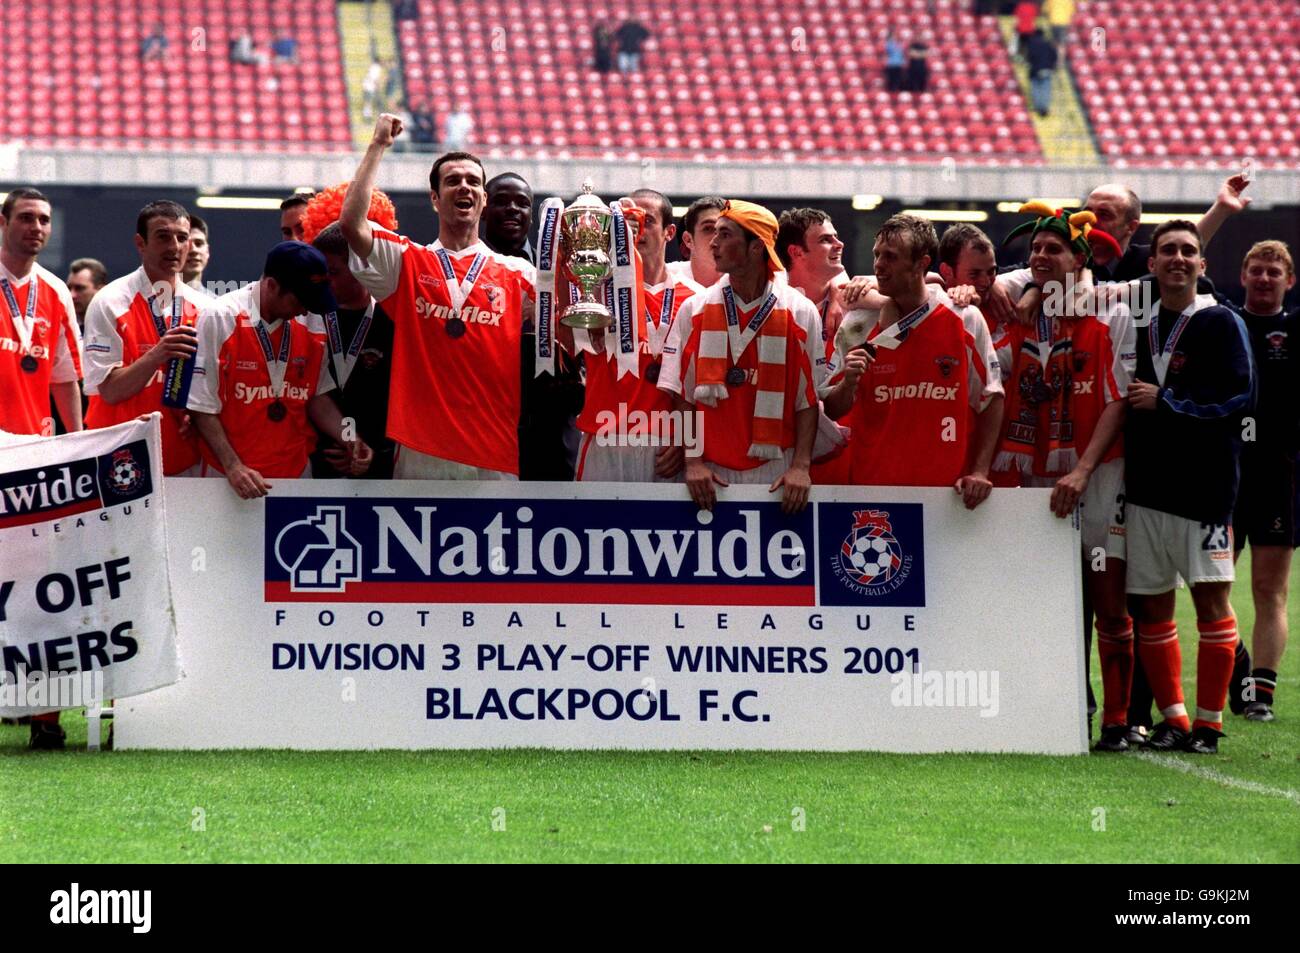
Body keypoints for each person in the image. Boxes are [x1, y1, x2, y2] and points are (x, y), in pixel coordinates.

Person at [995, 204, 1135, 750]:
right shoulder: (1019, 307)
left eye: (1053, 249)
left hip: (1097, 470)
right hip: (1035, 471)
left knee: (1106, 595)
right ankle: (1067, 710)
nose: (1040, 257)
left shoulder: (1111, 309)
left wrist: (1082, 469)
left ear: (1081, 257)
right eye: (1034, 250)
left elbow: (1117, 401)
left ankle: (1118, 722)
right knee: (1051, 599)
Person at [340, 113, 535, 480]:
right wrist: (378, 144)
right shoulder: (406, 260)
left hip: (493, 454)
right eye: (453, 181)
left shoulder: (520, 274)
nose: (464, 187)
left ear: (484, 199)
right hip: (420, 452)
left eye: (473, 182)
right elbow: (352, 223)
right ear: (434, 198)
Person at [1124, 221, 1254, 754]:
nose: (1178, 258)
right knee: (1152, 608)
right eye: (1168, 251)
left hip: (1204, 489)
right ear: (1151, 265)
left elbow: (1241, 397)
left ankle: (1209, 723)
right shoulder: (1137, 322)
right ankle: (1173, 718)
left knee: (1211, 604)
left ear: (1202, 265)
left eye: (1189, 251)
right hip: (1146, 489)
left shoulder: (1222, 321)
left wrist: (1170, 403)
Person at [826, 214, 1003, 508]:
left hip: (946, 498)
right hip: (871, 495)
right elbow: (831, 408)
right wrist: (849, 383)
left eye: (891, 257)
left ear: (922, 263)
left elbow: (992, 397)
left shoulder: (964, 318)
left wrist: (980, 471)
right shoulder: (857, 324)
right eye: (877, 255)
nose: (879, 265)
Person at [659, 200, 822, 514]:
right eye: (713, 233)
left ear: (756, 247)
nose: (714, 244)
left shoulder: (800, 312)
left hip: (778, 470)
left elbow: (808, 400)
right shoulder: (694, 309)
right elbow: (682, 396)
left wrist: (801, 466)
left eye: (725, 235)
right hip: (709, 473)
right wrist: (693, 461)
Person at [0, 187, 84, 750]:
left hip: (34, 459)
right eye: (26, 218)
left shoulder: (54, 293)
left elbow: (64, 379)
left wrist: (78, 446)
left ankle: (43, 718)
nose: (37, 228)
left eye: (45, 220)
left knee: (38, 592)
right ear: (3, 222)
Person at [187, 242, 371, 497]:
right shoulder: (220, 317)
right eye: (301, 300)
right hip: (228, 476)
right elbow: (200, 406)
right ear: (272, 286)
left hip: (296, 472)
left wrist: (350, 438)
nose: (306, 309)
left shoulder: (312, 321)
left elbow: (317, 396)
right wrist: (233, 466)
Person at [574, 188, 701, 482]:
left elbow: (701, 383)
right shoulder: (592, 293)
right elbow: (570, 349)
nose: (636, 230)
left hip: (670, 446)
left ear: (670, 232)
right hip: (606, 438)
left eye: (647, 221)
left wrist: (690, 443)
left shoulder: (697, 299)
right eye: (628, 221)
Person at [82, 200, 214, 478]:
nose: (175, 247)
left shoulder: (204, 308)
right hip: (118, 460)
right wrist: (158, 354)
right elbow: (110, 391)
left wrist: (196, 413)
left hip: (182, 458)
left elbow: (207, 388)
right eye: (163, 237)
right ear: (140, 243)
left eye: (182, 238)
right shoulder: (110, 302)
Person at [1231, 240, 1298, 723]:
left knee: (1269, 588)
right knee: (1203, 581)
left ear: (1288, 281)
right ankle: (1235, 661)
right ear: (1243, 276)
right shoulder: (1222, 321)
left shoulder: (1295, 330)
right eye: (1257, 270)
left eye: (1274, 272)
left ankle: (1261, 697)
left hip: (1279, 475)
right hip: (1225, 473)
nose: (1264, 278)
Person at [482, 173, 585, 481]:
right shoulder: (464, 275)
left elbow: (581, 352)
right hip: (484, 432)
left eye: (522, 203)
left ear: (531, 214)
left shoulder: (559, 275)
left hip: (552, 436)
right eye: (501, 201)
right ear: (484, 209)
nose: (513, 209)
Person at [309, 224, 396, 479]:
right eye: (320, 273)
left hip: (380, 466)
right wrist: (350, 440)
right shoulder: (308, 317)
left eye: (333, 272)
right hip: (314, 469)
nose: (325, 281)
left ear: (360, 268)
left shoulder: (392, 319)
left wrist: (374, 455)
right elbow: (310, 394)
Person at [666, 195, 725, 289]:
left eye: (725, 230)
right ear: (688, 240)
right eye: (708, 228)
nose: (718, 237)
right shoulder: (664, 277)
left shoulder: (749, 282)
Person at [66, 258, 108, 332]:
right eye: (69, 288)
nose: (72, 295)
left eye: (79, 288)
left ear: (101, 290)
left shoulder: (114, 326)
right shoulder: (62, 327)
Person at [1025, 29, 1057, 116]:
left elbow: (1029, 57)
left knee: (1036, 88)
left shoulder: (1032, 44)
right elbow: (1054, 55)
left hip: (1035, 70)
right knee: (1045, 88)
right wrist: (1052, 66)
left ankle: (1038, 106)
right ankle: (1044, 107)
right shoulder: (1048, 44)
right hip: (1047, 69)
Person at [183, 214, 210, 291]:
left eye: (198, 244)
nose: (194, 250)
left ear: (207, 251)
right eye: (186, 244)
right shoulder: (154, 301)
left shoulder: (218, 302)